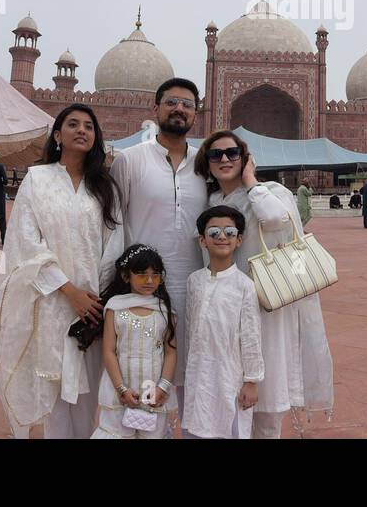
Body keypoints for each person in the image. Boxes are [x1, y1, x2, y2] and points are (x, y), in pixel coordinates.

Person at [0, 103, 125, 439]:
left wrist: (97, 298)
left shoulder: (104, 187)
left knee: (86, 396)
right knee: (55, 396)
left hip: (93, 309)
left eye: (89, 126)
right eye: (73, 124)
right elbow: (25, 243)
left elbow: (115, 243)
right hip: (51, 301)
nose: (82, 130)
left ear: (96, 138)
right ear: (58, 135)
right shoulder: (38, 180)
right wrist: (68, 290)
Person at [195, 130, 334, 438]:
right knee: (227, 402)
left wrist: (251, 181)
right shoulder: (211, 200)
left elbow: (275, 220)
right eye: (215, 155)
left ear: (245, 158)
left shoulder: (269, 191)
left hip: (266, 306)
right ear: (207, 163)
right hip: (225, 309)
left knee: (267, 408)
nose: (224, 159)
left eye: (232, 153)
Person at [110, 77, 207, 407]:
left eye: (188, 104)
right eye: (171, 102)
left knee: (194, 376)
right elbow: (112, 223)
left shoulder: (206, 164)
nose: (180, 109)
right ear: (156, 109)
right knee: (142, 375)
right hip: (143, 290)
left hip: (193, 288)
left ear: (197, 113)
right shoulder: (130, 160)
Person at [182, 206, 263, 440]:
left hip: (231, 376)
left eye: (229, 232)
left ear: (239, 240)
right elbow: (190, 330)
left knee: (229, 427)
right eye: (214, 232)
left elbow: (251, 336)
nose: (222, 237)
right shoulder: (194, 281)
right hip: (199, 374)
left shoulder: (244, 285)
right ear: (202, 241)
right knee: (198, 427)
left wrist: (252, 381)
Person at [91, 244, 179, 439]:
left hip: (153, 390)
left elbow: (171, 352)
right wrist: (121, 389)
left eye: (155, 275)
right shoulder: (115, 308)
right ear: (126, 276)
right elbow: (108, 351)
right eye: (141, 274)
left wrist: (162, 388)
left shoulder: (165, 311)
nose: (149, 280)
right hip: (119, 389)